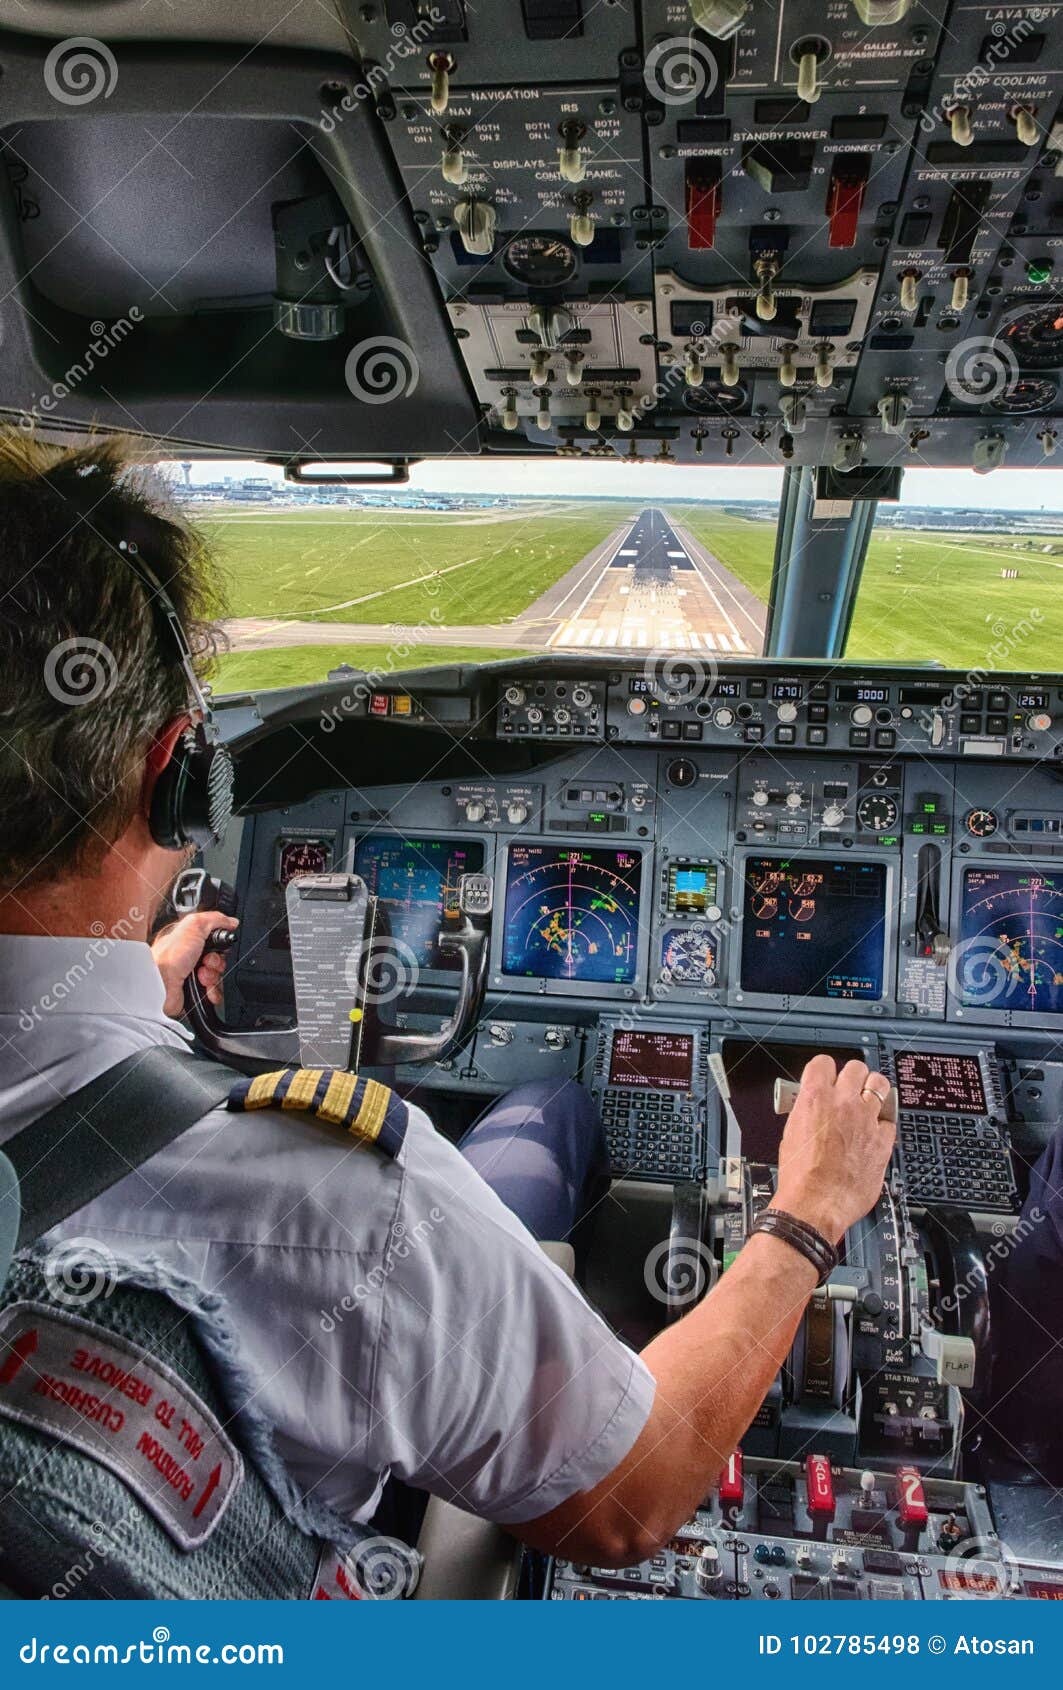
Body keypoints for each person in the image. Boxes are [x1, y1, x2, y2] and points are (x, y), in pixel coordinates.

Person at [0, 431, 896, 1571]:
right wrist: (809, 1211)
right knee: (543, 1119)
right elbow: (633, 1502)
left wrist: (124, 996)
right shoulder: (349, 1209)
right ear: (173, 767)